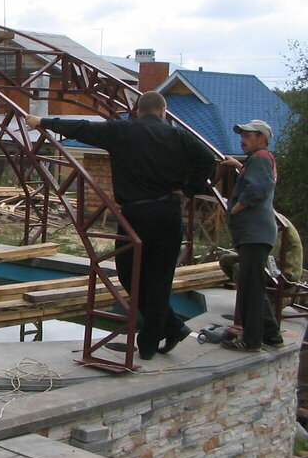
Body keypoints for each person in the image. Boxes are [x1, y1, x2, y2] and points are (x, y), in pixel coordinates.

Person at [25, 92, 216, 360]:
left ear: (137, 110)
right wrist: (189, 191)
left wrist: (43, 121)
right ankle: (170, 328)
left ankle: (150, 344)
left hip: (136, 215)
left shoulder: (122, 131)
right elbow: (207, 159)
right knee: (159, 279)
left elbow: (82, 128)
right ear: (163, 111)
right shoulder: (178, 135)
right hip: (169, 212)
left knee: (129, 274)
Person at [220, 119, 283, 352]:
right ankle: (272, 336)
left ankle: (252, 340)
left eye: (248, 135)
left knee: (251, 288)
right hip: (256, 233)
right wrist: (238, 165)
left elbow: (258, 188)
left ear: (261, 138)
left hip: (254, 233)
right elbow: (256, 178)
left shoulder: (260, 158)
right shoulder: (259, 160)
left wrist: (236, 208)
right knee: (251, 284)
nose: (242, 139)